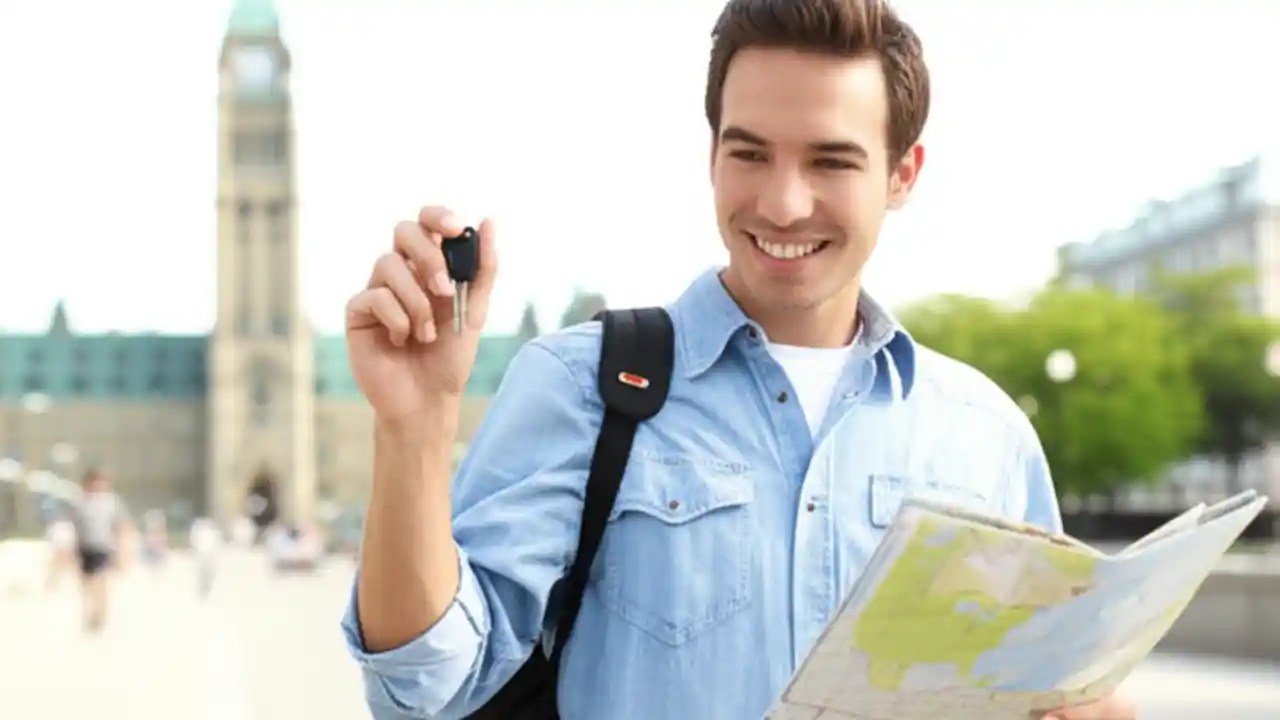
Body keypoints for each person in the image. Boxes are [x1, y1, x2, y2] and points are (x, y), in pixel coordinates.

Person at [339, 1, 1139, 718]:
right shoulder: (579, 388)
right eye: (750, 154)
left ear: (902, 174)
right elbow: (425, 685)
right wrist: (415, 429)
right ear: (712, 155)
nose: (783, 204)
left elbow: (1034, 686)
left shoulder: (987, 437)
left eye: (831, 162)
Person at [70, 468, 128, 633]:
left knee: (102, 582)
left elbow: (121, 526)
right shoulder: (81, 502)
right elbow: (75, 528)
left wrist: (122, 552)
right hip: (86, 548)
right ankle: (91, 613)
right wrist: (74, 551)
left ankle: (101, 615)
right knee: (88, 584)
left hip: (104, 547)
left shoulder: (110, 502)